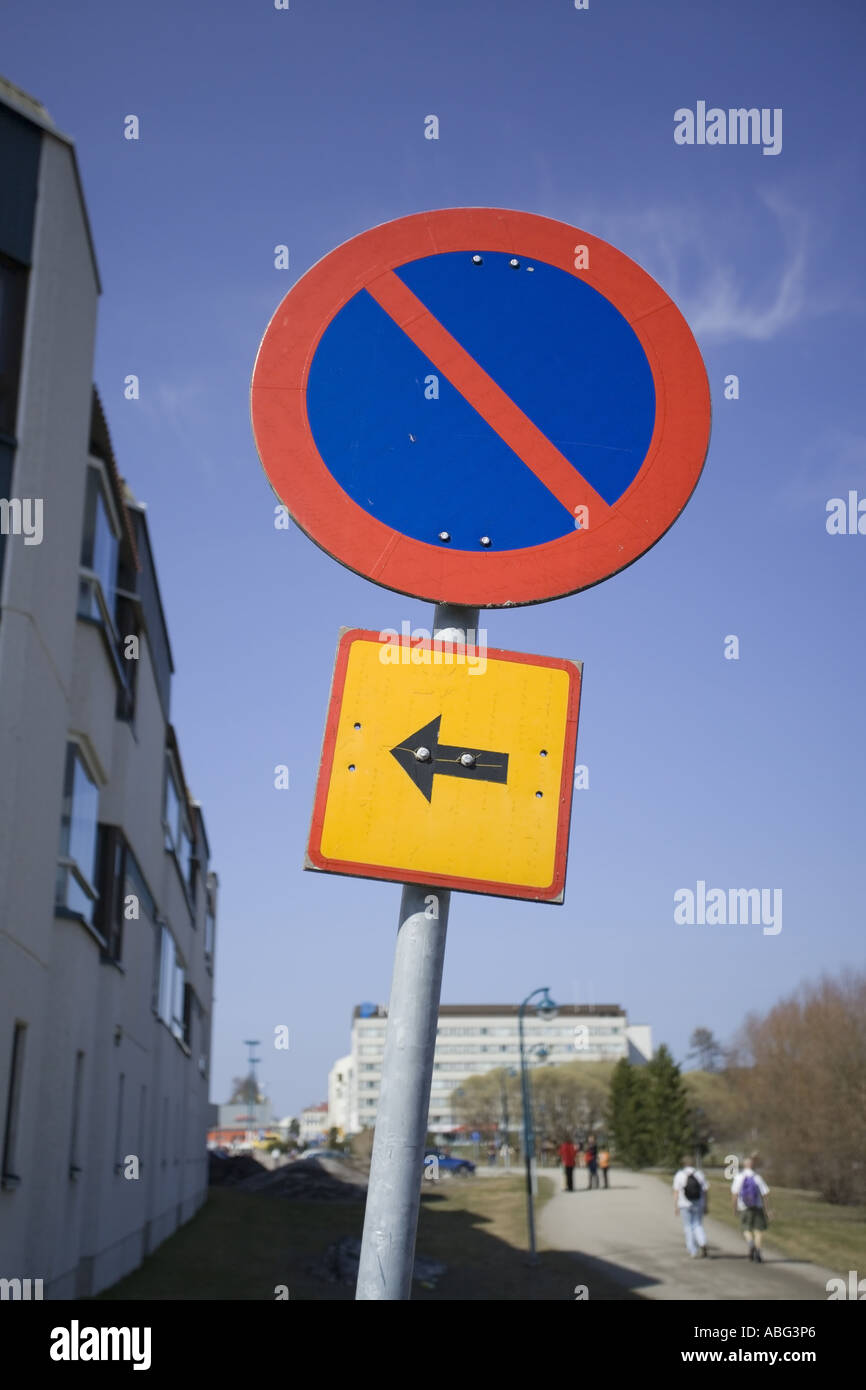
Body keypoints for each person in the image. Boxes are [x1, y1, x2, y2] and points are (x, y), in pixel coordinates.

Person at [731, 1155, 770, 1262]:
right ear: (753, 1165)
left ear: (744, 1165)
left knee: (746, 1228)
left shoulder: (739, 1177)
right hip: (757, 1207)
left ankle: (750, 1243)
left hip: (744, 1207)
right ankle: (758, 1251)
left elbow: (734, 1194)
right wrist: (767, 1210)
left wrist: (734, 1208)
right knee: (758, 1230)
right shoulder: (758, 1177)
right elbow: (765, 1194)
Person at [673, 1154, 709, 1257]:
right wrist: (706, 1204)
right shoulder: (699, 1174)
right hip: (698, 1203)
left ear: (683, 1164)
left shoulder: (680, 1175)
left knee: (688, 1226)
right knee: (697, 1224)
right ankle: (702, 1242)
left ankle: (692, 1250)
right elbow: (705, 1190)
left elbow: (676, 1191)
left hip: (684, 1204)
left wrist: (676, 1206)